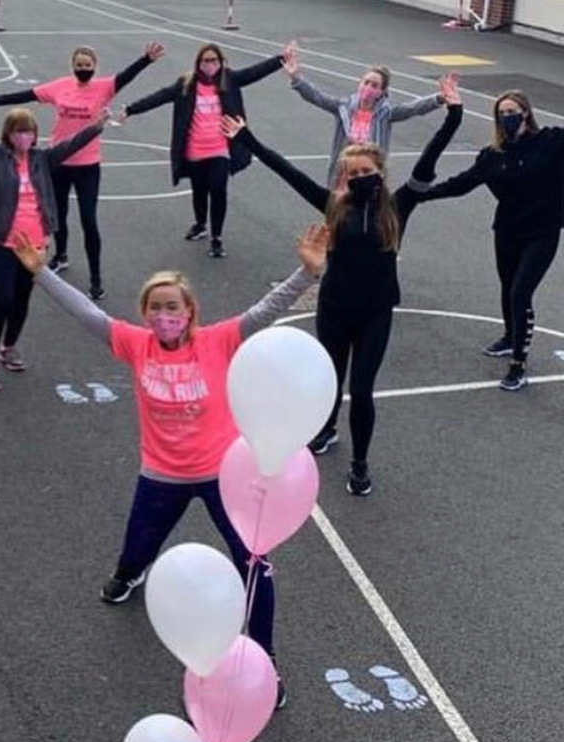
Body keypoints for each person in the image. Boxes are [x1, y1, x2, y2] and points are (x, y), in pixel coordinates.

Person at [12, 222, 333, 704]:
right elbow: (86, 313)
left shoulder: (219, 341)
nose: (164, 315)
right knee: (138, 545)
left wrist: (307, 274)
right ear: (144, 314)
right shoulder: (133, 343)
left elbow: (266, 311)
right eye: (155, 307)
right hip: (162, 475)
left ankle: (265, 664)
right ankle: (129, 572)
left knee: (254, 564)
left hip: (222, 475)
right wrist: (41, 274)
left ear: (189, 312)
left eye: (172, 307)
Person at [223, 74, 463, 496]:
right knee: (331, 378)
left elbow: (431, 155)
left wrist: (454, 112)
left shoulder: (398, 205)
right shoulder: (334, 206)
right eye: (351, 173)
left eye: (366, 171)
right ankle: (327, 428)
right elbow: (288, 172)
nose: (359, 178)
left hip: (375, 311)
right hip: (334, 306)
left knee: (363, 388)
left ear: (380, 172)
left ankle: (360, 462)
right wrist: (249, 138)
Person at [0, 41, 165, 301]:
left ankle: (96, 278)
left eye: (87, 65)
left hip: (88, 165)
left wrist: (147, 59)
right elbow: (26, 95)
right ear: (73, 66)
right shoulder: (60, 86)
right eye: (79, 65)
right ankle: (61, 254)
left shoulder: (103, 88)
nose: (83, 68)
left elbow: (127, 76)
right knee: (58, 215)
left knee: (89, 220)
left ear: (94, 67)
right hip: (58, 162)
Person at [0, 95, 110, 391]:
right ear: (8, 135)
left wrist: (96, 127)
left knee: (22, 298)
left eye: (30, 131)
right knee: (2, 299)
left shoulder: (42, 159)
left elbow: (71, 145)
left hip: (34, 243)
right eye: (19, 131)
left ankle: (9, 347)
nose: (25, 137)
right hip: (3, 240)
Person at [415, 90, 564, 392]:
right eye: (502, 113)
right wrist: (421, 195)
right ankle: (511, 337)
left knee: (521, 292)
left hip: (542, 232)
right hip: (508, 231)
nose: (507, 117)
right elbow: (462, 184)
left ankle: (518, 365)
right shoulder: (492, 156)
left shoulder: (551, 142)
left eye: (512, 111)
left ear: (526, 112)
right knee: (508, 287)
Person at [120, 42, 294, 258]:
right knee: (199, 191)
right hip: (195, 150)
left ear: (221, 63)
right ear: (198, 63)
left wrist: (281, 59)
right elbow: (159, 97)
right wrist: (131, 109)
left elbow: (255, 72)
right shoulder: (186, 84)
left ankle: (217, 237)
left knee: (218, 190)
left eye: (214, 60)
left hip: (220, 149)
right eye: (206, 61)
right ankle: (201, 224)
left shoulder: (230, 80)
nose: (210, 64)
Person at [281, 47, 447, 185]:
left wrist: (438, 98)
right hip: (343, 173)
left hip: (371, 174)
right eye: (366, 82)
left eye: (374, 85)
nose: (368, 88)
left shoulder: (386, 114)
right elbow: (316, 97)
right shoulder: (343, 108)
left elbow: (413, 108)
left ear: (382, 92)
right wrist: (296, 78)